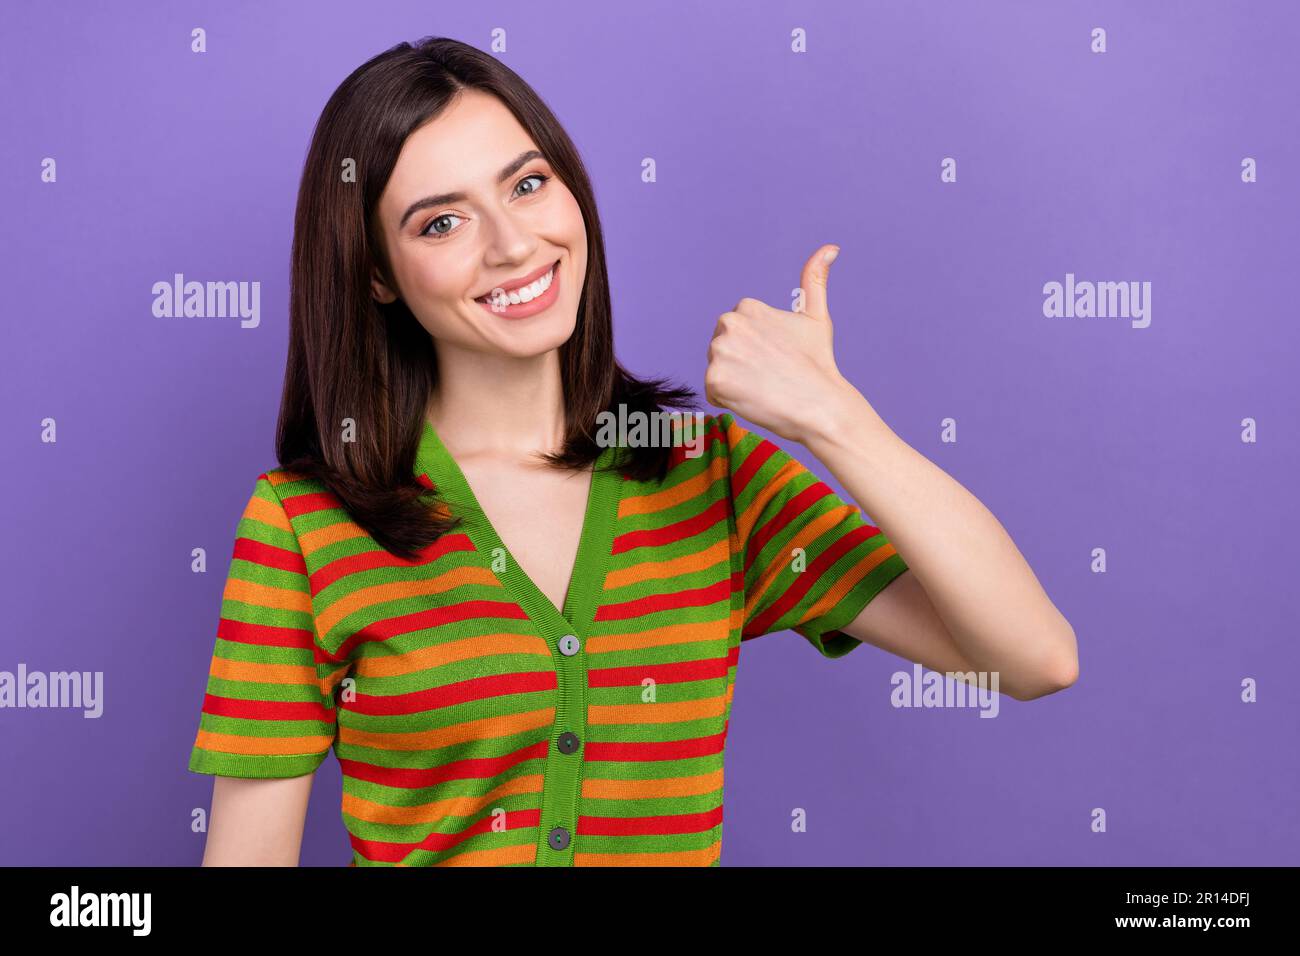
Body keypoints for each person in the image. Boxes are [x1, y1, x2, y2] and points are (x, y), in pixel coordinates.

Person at [189, 36, 1078, 867]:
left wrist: (834, 420)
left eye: (527, 185)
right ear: (377, 273)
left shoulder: (710, 477)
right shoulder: (305, 527)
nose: (512, 245)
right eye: (441, 223)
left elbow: (1034, 659)